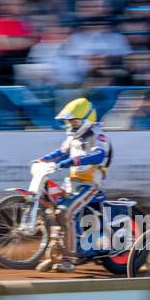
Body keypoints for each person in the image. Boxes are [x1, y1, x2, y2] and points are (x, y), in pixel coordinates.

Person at [34, 96, 112, 272]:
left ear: (86, 119)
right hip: (72, 185)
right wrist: (42, 160)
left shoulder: (98, 136)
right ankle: (53, 256)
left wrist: (71, 161)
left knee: (65, 213)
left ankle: (69, 260)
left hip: (89, 186)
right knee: (50, 210)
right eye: (69, 122)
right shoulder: (73, 137)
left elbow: (98, 155)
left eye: (74, 121)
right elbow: (61, 153)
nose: (71, 125)